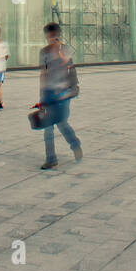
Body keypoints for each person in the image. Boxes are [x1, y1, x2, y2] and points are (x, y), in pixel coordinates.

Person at [38, 22, 82, 170]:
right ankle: (51, 159)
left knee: (62, 123)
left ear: (58, 35)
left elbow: (70, 67)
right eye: (49, 37)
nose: (51, 39)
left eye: (54, 36)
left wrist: (59, 51)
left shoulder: (65, 50)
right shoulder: (44, 52)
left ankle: (75, 145)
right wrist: (41, 96)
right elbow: (43, 73)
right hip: (49, 93)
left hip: (63, 93)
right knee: (48, 128)